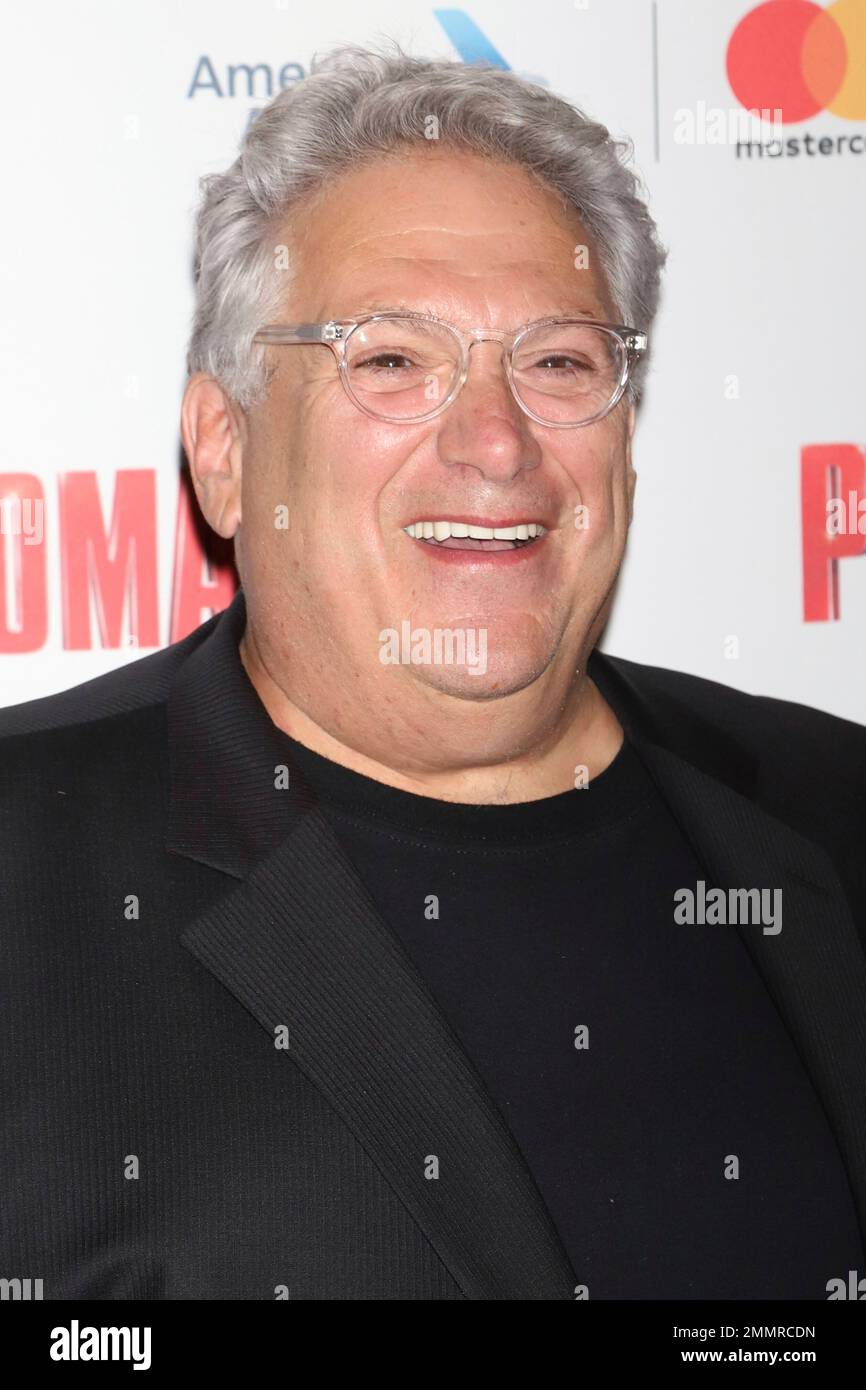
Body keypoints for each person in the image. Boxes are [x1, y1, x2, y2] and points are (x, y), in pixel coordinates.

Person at [2, 43, 865, 1302]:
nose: (496, 442)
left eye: (559, 362)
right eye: (392, 359)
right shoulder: (22, 865)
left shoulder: (830, 805)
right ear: (224, 450)